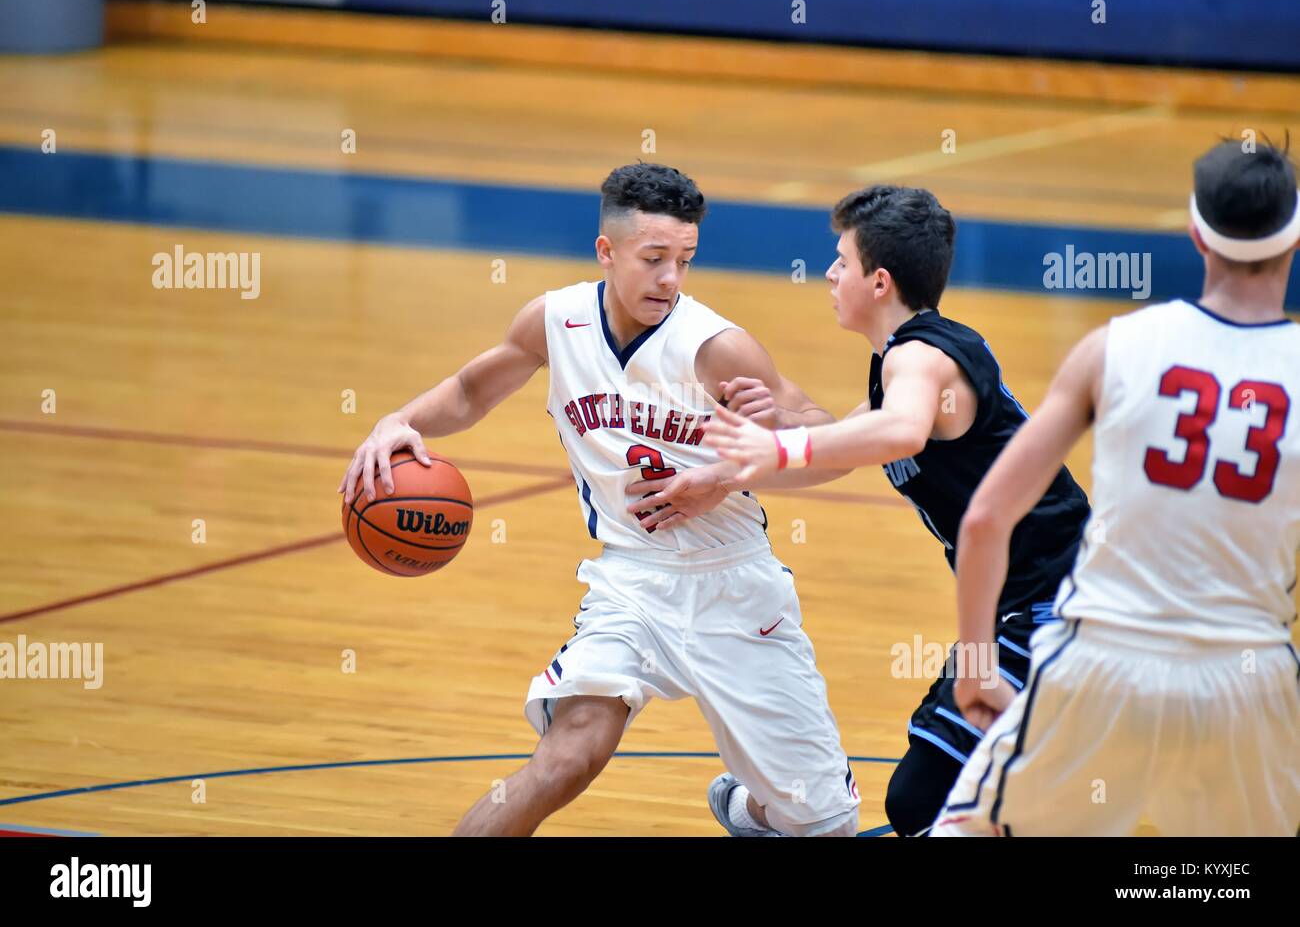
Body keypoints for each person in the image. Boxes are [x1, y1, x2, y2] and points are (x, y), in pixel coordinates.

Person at [339, 163, 860, 837]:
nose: (670, 278)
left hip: (735, 586)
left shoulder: (717, 347)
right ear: (605, 252)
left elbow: (834, 443)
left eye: (684, 259)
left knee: (826, 823)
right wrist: (397, 421)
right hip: (630, 581)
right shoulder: (555, 322)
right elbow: (469, 393)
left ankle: (753, 806)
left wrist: (779, 438)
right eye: (653, 259)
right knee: (566, 757)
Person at [647, 184, 1091, 835]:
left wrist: (779, 441)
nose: (829, 274)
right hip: (1015, 603)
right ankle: (766, 816)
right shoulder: (904, 362)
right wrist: (722, 475)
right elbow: (836, 453)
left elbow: (902, 432)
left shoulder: (921, 359)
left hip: (1058, 601)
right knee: (938, 796)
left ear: (879, 281)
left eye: (841, 261)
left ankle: (765, 818)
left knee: (932, 798)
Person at [929, 138, 1300, 836]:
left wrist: (977, 665)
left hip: (1102, 662)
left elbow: (984, 519)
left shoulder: (1116, 346)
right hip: (1247, 680)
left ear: (1197, 234)